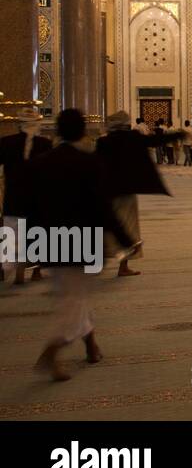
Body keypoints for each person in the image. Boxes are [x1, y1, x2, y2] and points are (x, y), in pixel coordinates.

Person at [30, 108, 133, 382]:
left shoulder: (41, 162)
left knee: (75, 294)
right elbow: (102, 207)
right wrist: (124, 239)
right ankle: (52, 350)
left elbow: (32, 207)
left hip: (48, 241)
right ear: (83, 131)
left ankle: (91, 347)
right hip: (80, 241)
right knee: (74, 299)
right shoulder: (89, 163)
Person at [95, 110, 176, 277]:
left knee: (102, 227)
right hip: (126, 190)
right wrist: (177, 135)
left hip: (106, 191)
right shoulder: (131, 138)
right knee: (128, 227)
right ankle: (123, 267)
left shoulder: (102, 142)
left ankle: (96, 263)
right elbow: (155, 140)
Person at [0, 120, 53, 285]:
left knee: (14, 235)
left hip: (14, 196)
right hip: (37, 197)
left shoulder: (6, 142)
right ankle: (36, 271)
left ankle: (17, 273)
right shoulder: (45, 143)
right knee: (37, 233)